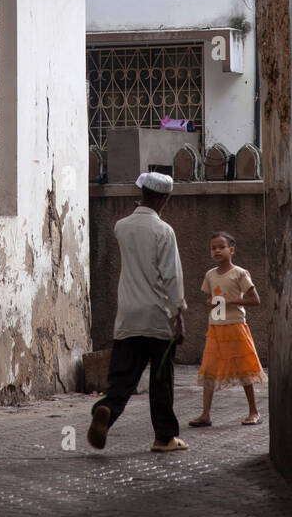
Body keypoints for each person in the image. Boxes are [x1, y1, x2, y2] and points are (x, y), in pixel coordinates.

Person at [87, 172, 189, 453]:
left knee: (122, 378)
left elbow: (135, 224)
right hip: (158, 316)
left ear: (142, 193)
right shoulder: (164, 231)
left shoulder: (122, 226)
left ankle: (106, 408)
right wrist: (179, 315)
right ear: (164, 198)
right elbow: (172, 277)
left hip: (128, 316)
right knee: (161, 381)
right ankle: (164, 438)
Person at [189, 232, 267, 428]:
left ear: (231, 250)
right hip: (215, 327)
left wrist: (230, 301)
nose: (217, 250)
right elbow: (209, 298)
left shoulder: (240, 273)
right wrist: (212, 302)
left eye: (221, 247)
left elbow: (255, 300)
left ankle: (254, 411)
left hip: (235, 326)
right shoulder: (210, 275)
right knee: (209, 370)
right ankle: (205, 414)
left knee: (244, 370)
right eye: (213, 247)